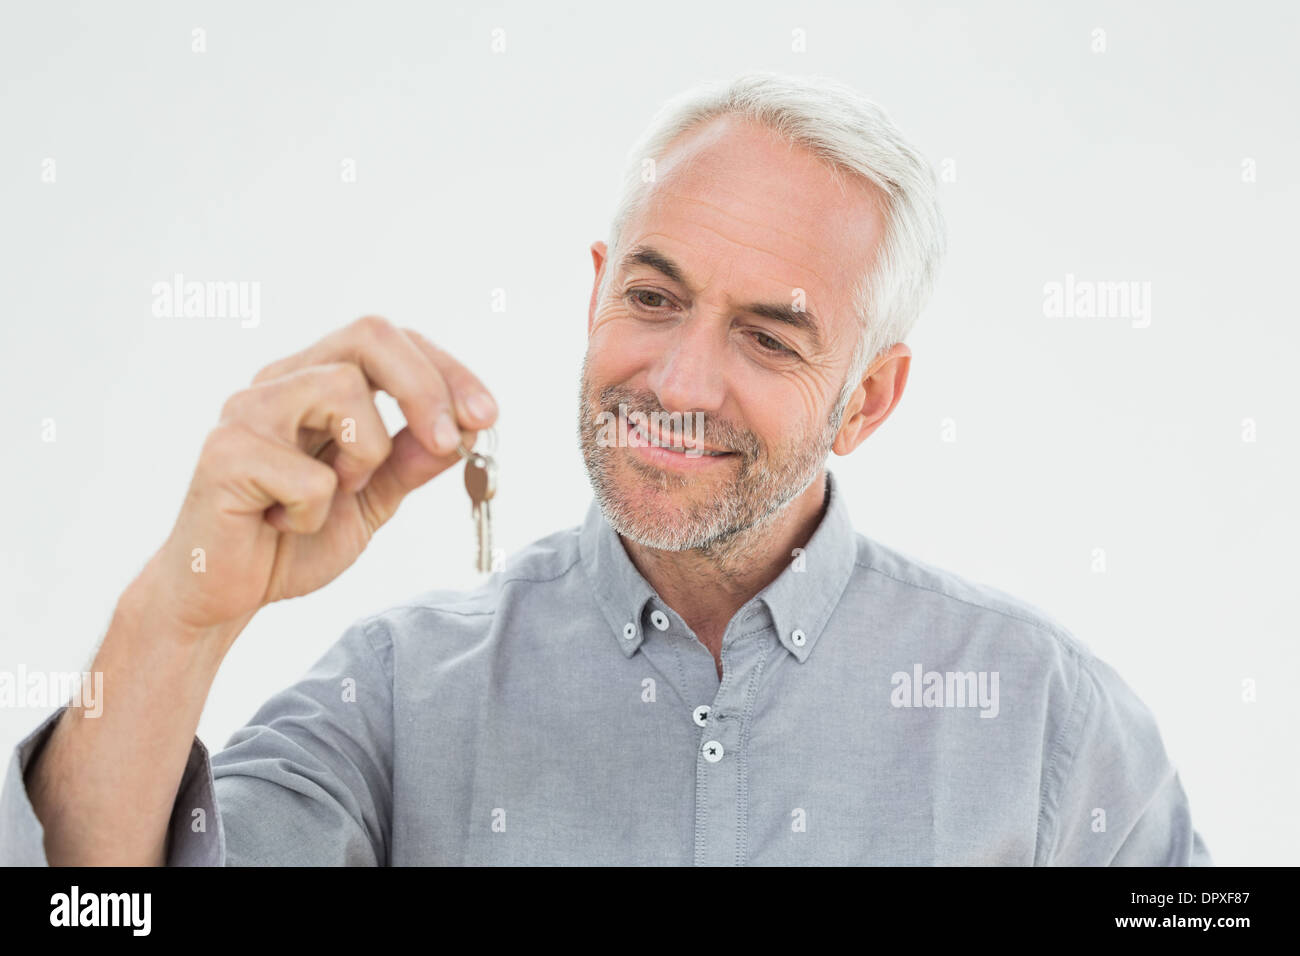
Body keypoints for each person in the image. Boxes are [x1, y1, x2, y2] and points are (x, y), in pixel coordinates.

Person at [0, 72, 1211, 865]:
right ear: (594, 288)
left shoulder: (1049, 721)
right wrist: (184, 606)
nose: (678, 383)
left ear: (870, 399)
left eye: (767, 335)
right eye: (652, 296)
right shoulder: (393, 698)